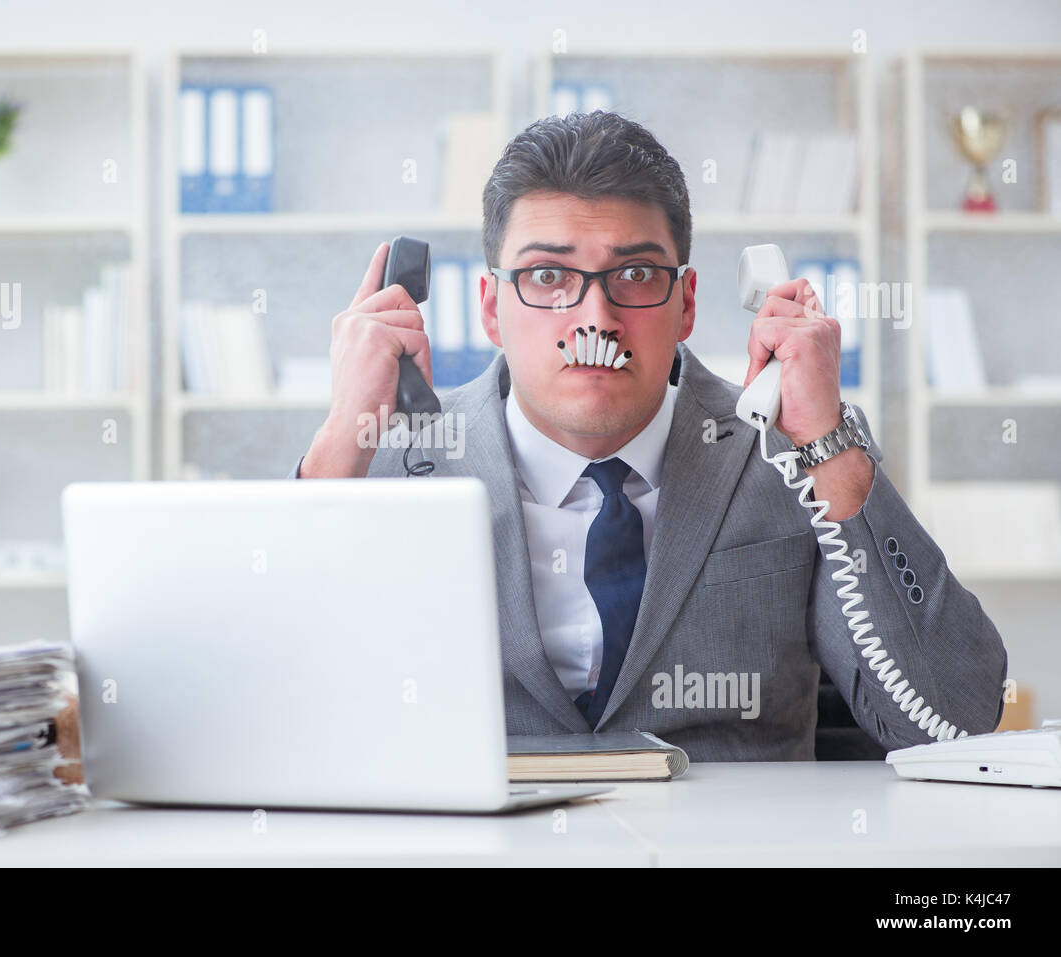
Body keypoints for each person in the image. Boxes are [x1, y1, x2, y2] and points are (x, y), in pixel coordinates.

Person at [288, 111, 1008, 760]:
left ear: (688, 303)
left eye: (634, 274)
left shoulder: (796, 459)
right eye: (546, 275)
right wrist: (339, 444)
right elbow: (278, 703)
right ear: (490, 308)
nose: (594, 318)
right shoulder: (386, 462)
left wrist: (826, 441)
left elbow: (957, 718)